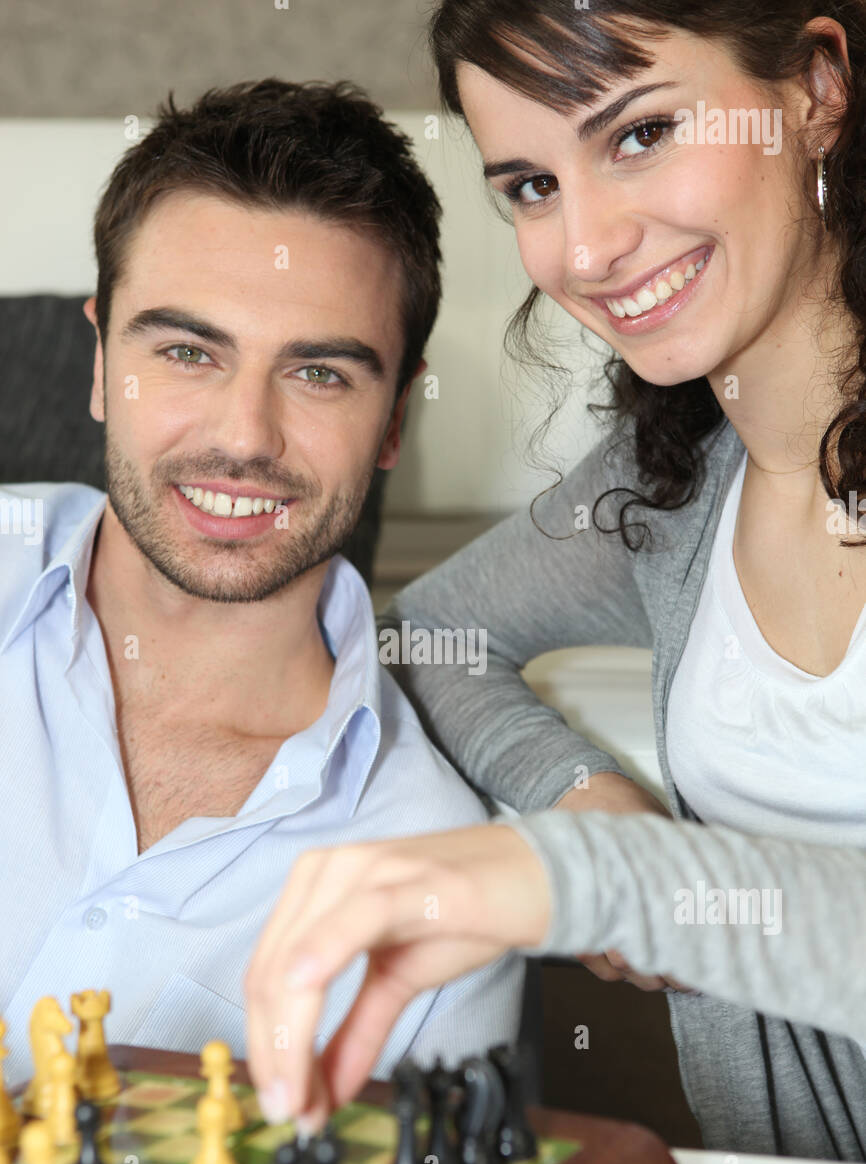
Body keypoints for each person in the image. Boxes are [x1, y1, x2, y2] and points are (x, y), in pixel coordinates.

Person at [245, 5, 866, 1162]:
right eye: (530, 184)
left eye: (638, 136)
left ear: (815, 89)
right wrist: (577, 788)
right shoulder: (667, 485)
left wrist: (605, 876)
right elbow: (421, 637)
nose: (581, 250)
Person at [0, 78, 525, 1091]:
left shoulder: (437, 884)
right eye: (188, 351)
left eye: (319, 373)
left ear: (394, 421)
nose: (244, 437)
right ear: (103, 360)